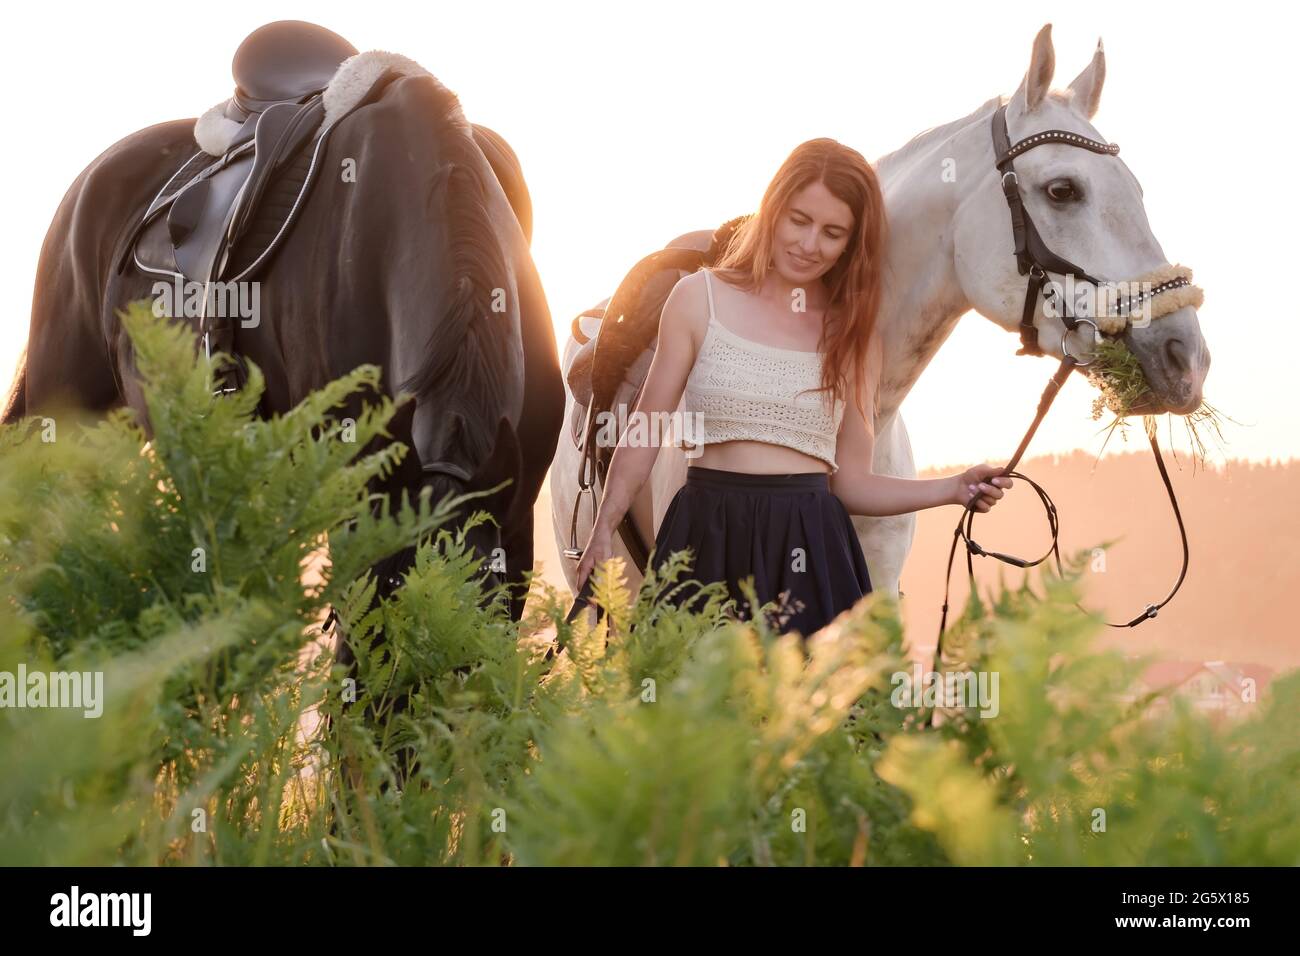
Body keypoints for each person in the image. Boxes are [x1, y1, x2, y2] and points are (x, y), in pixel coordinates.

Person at [574, 138, 1012, 637]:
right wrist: (604, 526)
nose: (809, 245)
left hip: (812, 544)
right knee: (693, 704)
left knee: (817, 711)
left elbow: (850, 483)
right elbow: (645, 431)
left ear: (851, 242)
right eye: (798, 220)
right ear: (773, 209)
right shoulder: (699, 299)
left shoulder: (852, 336)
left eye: (832, 232)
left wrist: (953, 489)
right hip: (705, 533)